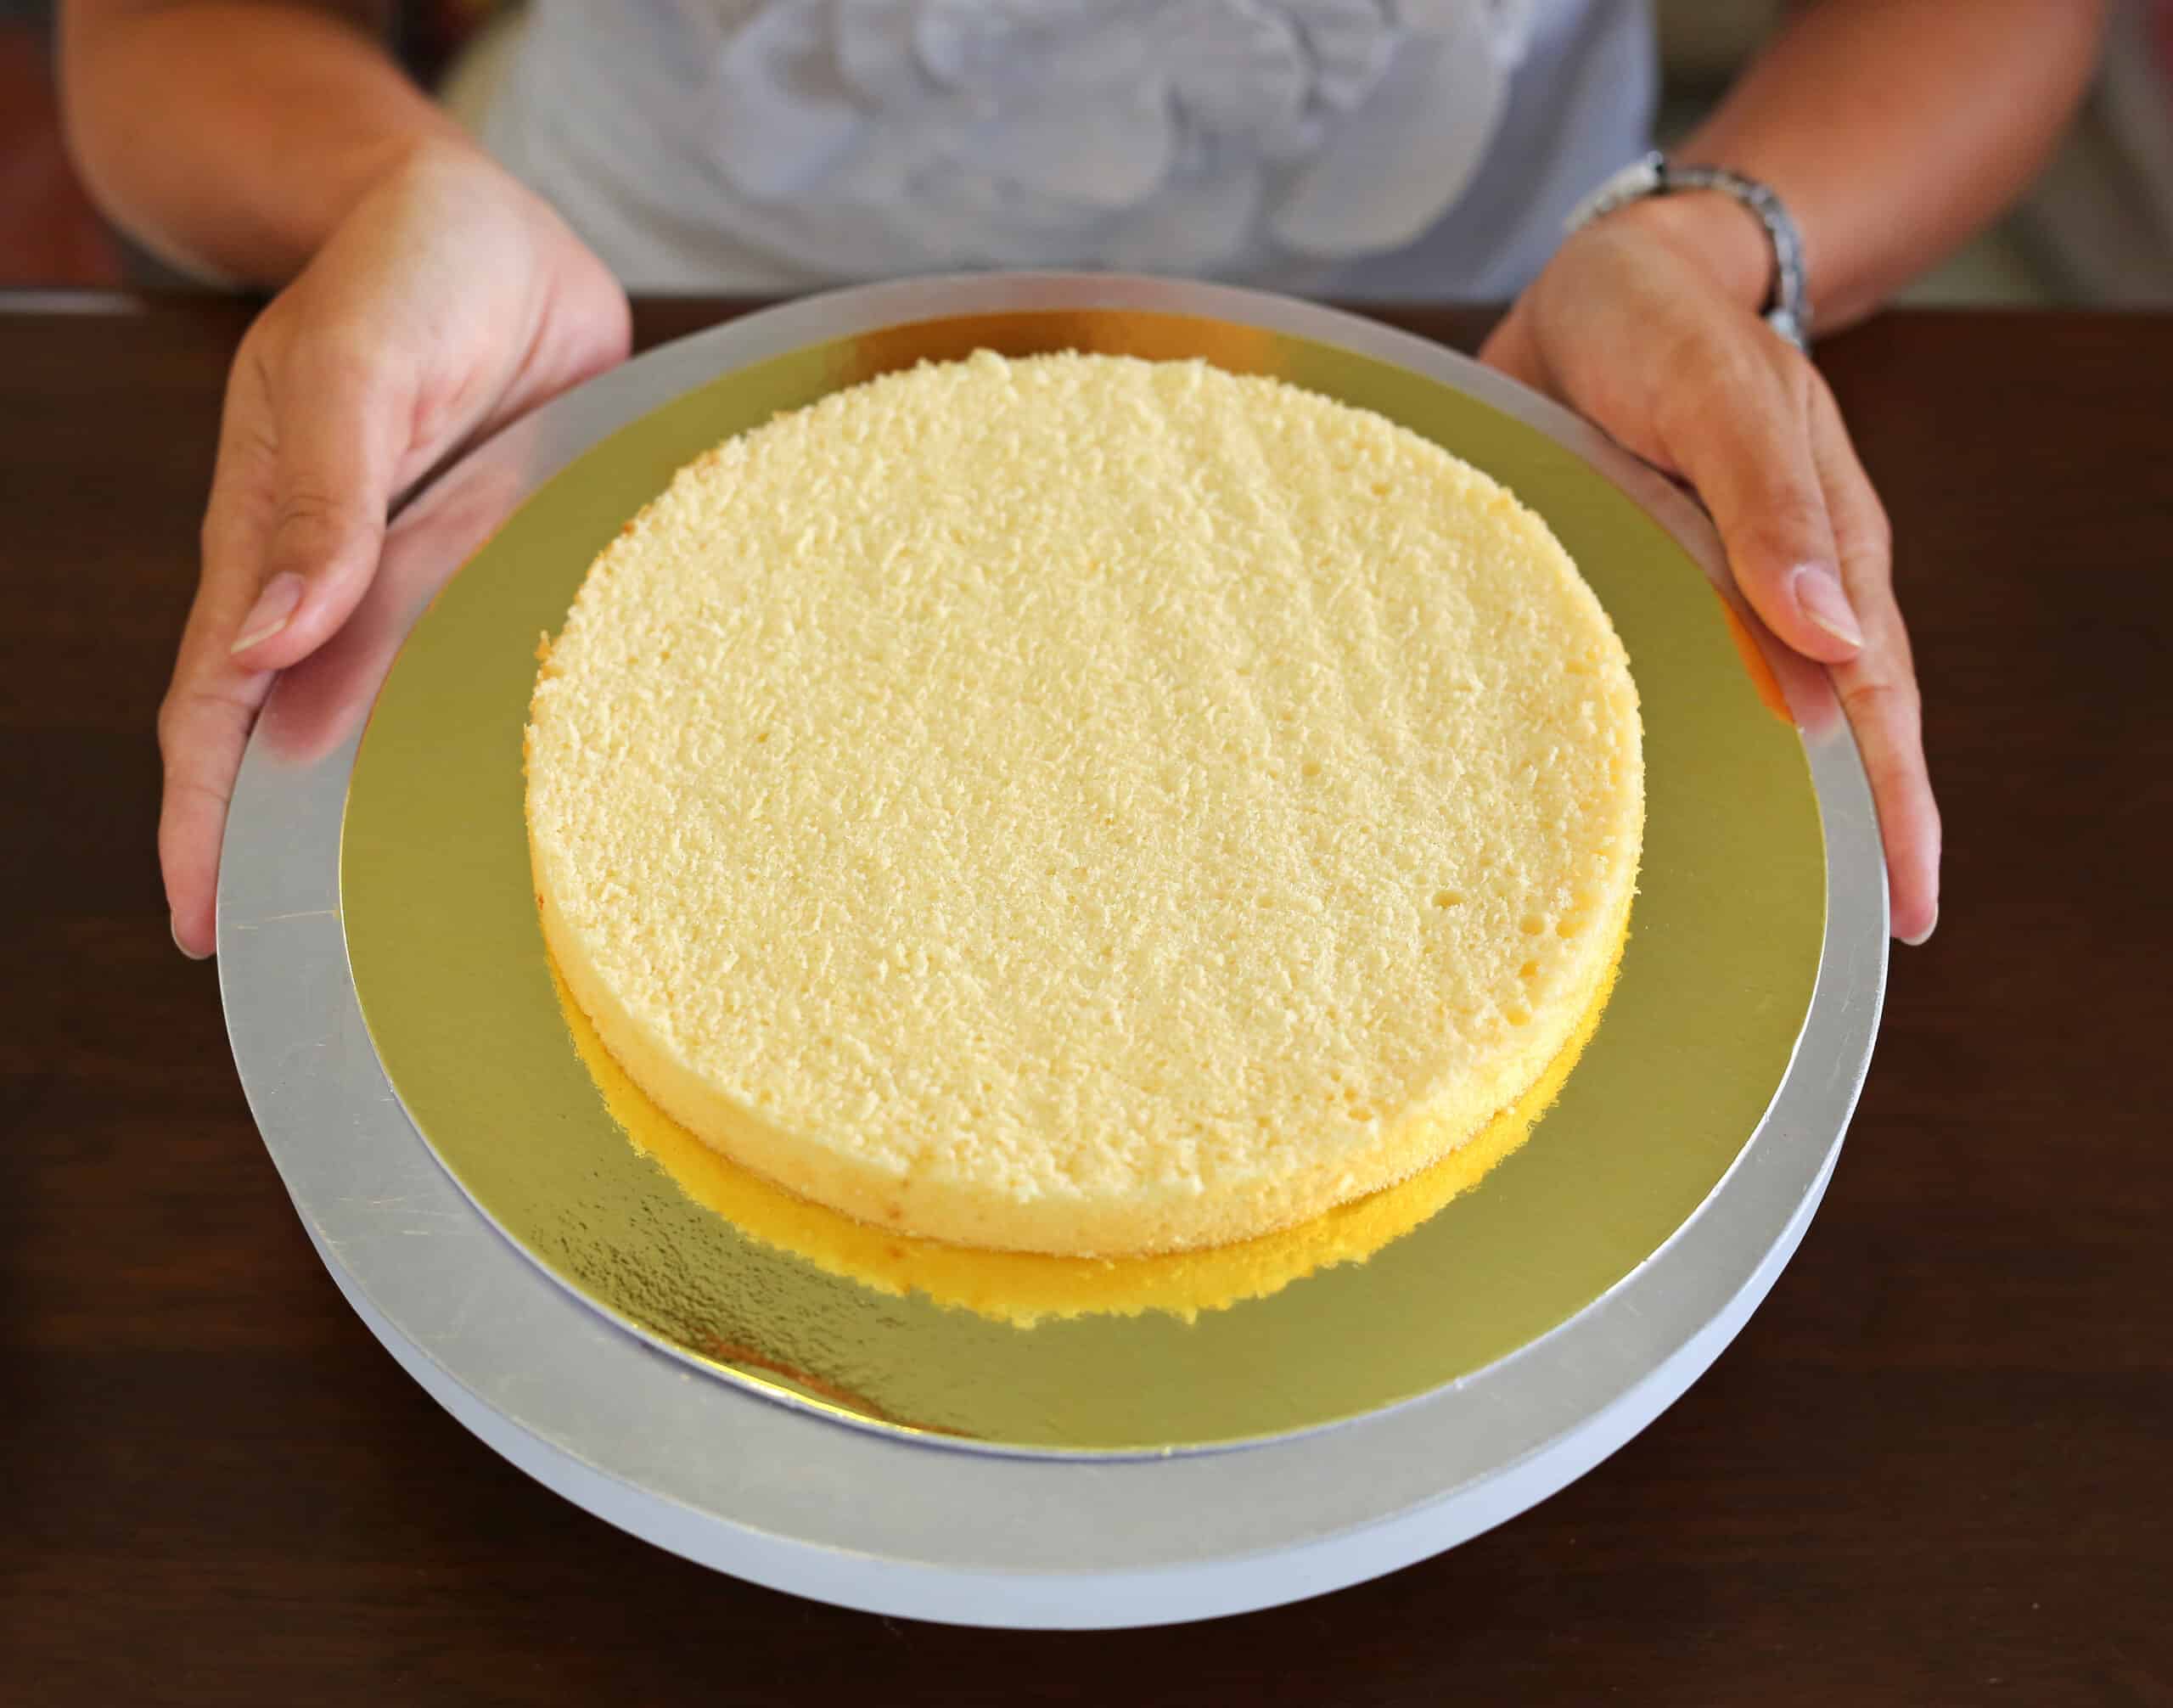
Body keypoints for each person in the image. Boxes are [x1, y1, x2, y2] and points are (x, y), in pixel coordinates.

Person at [58, 0, 2108, 960]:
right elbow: (154, 37)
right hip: (616, 360)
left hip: (1478, 398)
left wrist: (1693, 244)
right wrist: (388, 187)